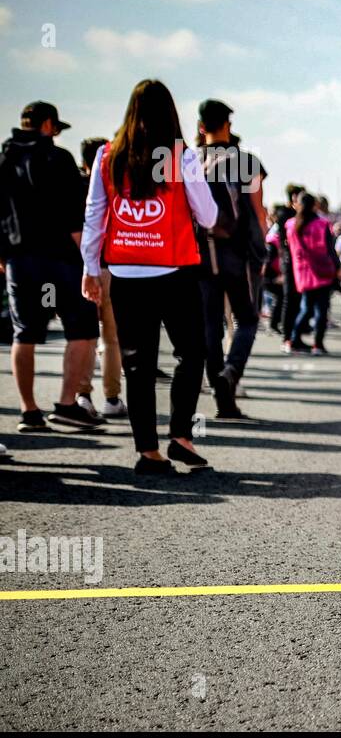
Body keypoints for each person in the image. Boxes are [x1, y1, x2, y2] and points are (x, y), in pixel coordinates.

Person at [80, 79, 218, 475]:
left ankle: (148, 452)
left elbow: (94, 216)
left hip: (123, 270)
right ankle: (180, 435)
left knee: (137, 365)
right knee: (191, 353)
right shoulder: (181, 156)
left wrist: (90, 269)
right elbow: (208, 216)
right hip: (174, 269)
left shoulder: (107, 156)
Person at [0, 101, 102, 432]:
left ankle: (29, 410)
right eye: (56, 129)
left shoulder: (4, 159)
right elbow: (74, 218)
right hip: (61, 260)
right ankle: (67, 403)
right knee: (83, 328)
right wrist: (90, 262)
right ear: (46, 124)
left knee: (24, 332)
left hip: (19, 258)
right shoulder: (58, 159)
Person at [195, 99, 267, 419]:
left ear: (200, 128)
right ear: (228, 125)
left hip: (198, 253)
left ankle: (220, 395)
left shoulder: (187, 161)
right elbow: (258, 211)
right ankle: (231, 373)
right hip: (236, 254)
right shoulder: (246, 161)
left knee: (209, 324)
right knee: (247, 319)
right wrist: (260, 250)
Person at [75, 136, 126, 421]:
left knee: (84, 337)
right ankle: (111, 397)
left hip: (81, 269)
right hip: (110, 266)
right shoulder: (112, 185)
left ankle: (82, 394)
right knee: (112, 338)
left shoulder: (72, 187)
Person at [285, 193, 339, 355]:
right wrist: (337, 267)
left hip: (301, 271)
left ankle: (293, 339)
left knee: (306, 308)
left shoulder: (291, 225)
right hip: (321, 270)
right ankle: (318, 344)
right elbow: (330, 250)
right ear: (315, 205)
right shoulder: (322, 224)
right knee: (320, 310)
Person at [277, 184, 306, 352]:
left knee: (297, 301)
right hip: (289, 262)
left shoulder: (294, 215)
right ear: (294, 197)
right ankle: (287, 338)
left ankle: (295, 337)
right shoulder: (285, 215)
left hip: (296, 263)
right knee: (290, 300)